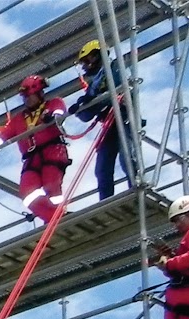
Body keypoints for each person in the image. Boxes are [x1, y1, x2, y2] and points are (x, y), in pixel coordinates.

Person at [0, 74, 70, 222]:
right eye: (25, 97)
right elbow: (2, 138)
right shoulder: (18, 119)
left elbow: (59, 113)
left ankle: (59, 214)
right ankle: (52, 217)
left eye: (30, 95)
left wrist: (52, 117)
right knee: (27, 193)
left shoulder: (54, 103)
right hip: (31, 159)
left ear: (40, 93)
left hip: (53, 150)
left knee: (51, 184)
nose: (27, 100)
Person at [68, 40, 134, 200]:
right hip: (109, 124)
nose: (85, 66)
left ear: (98, 55)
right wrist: (81, 106)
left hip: (123, 118)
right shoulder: (95, 83)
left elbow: (117, 91)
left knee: (127, 158)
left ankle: (136, 186)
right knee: (102, 167)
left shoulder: (115, 68)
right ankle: (105, 199)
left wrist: (92, 102)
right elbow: (86, 115)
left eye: (87, 60)